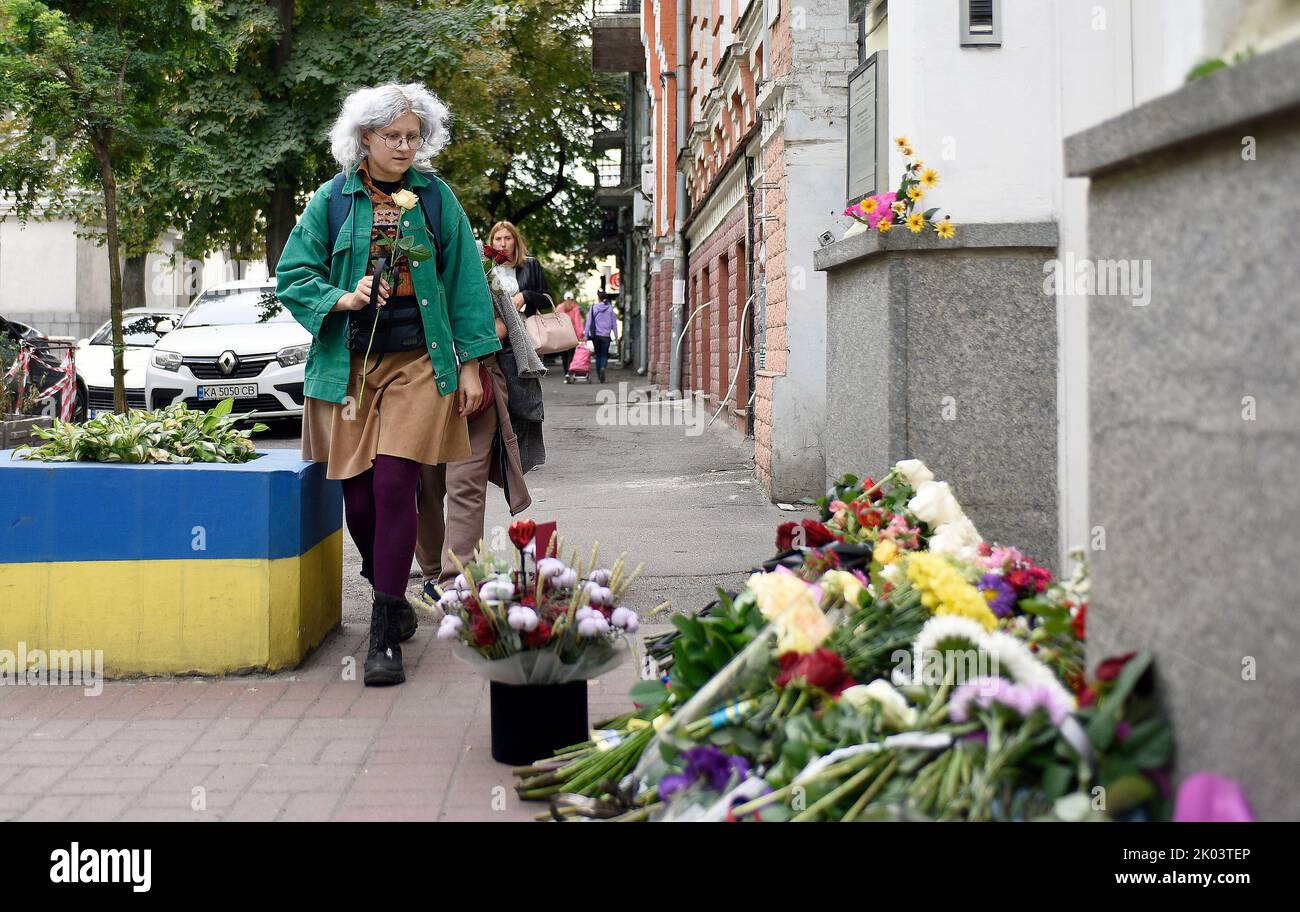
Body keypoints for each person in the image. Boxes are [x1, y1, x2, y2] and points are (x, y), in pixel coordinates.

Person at [275, 82, 499, 687]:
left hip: (419, 362)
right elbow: (292, 274)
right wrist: (343, 296)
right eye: (393, 136)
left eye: (413, 136)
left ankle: (382, 629)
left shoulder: (435, 199)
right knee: (359, 499)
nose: (404, 146)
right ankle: (390, 590)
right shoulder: (331, 201)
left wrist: (472, 364)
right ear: (365, 138)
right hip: (348, 365)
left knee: (397, 482)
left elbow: (465, 281)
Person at [413, 222, 548, 590]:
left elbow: (506, 323)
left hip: (479, 383)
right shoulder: (400, 255)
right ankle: (432, 571)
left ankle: (456, 580)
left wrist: (467, 346)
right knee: (423, 484)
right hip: (418, 384)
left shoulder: (474, 257)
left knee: (465, 482)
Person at [585, 295, 619, 383]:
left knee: (598, 355)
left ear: (599, 298)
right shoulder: (610, 309)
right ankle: (603, 368)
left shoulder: (593, 308)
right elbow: (614, 324)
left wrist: (585, 335)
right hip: (606, 336)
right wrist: (616, 336)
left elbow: (588, 322)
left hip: (596, 336)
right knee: (604, 355)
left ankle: (599, 375)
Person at [555, 293, 584, 375]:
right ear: (573, 299)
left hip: (562, 336)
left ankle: (566, 373)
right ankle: (569, 372)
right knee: (571, 355)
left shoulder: (559, 307)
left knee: (564, 356)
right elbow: (578, 322)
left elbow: (555, 322)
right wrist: (580, 335)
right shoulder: (575, 308)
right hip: (572, 335)